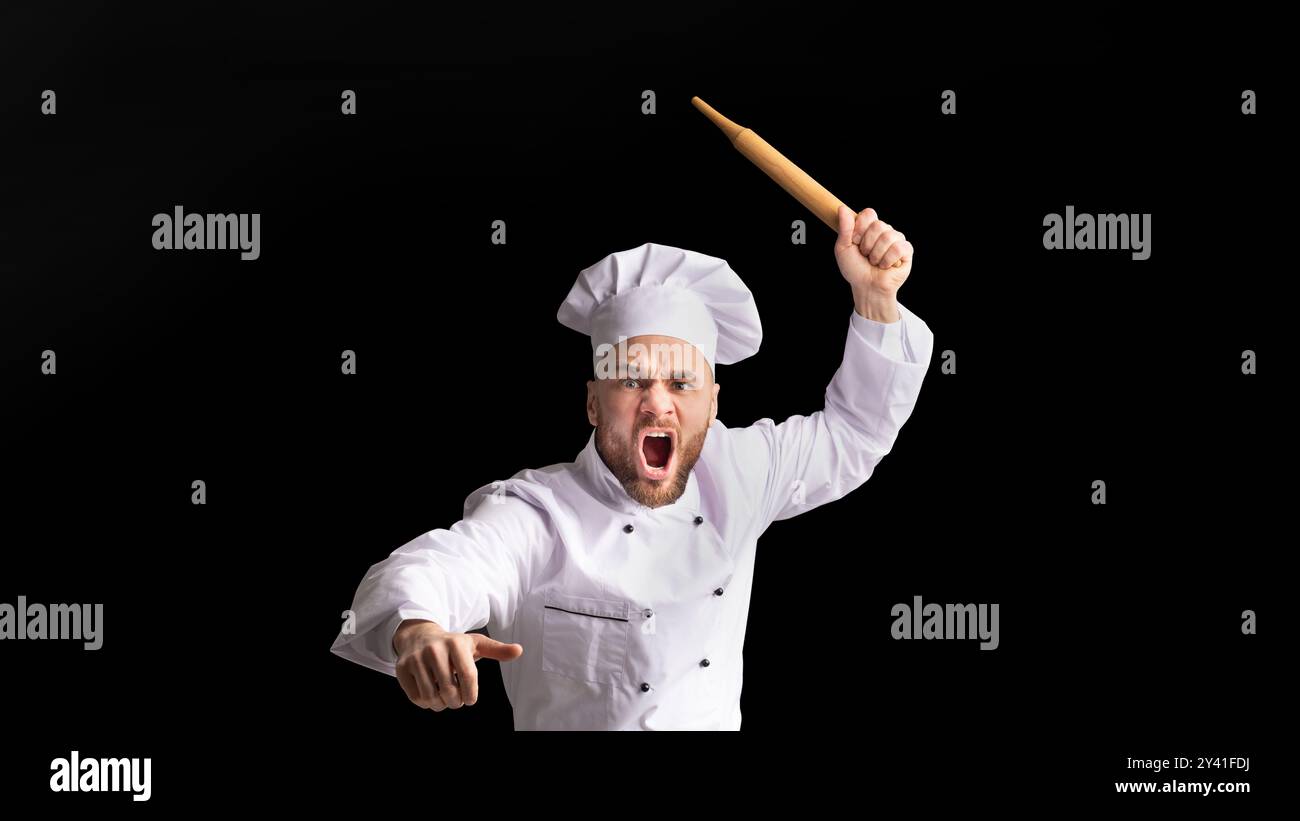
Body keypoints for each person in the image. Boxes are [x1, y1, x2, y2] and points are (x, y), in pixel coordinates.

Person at [330, 205, 934, 729]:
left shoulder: (745, 472)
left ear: (713, 404)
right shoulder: (539, 513)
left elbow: (855, 430)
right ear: (593, 402)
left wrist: (876, 299)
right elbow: (445, 564)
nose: (657, 401)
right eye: (631, 379)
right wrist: (419, 630)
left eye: (680, 382)